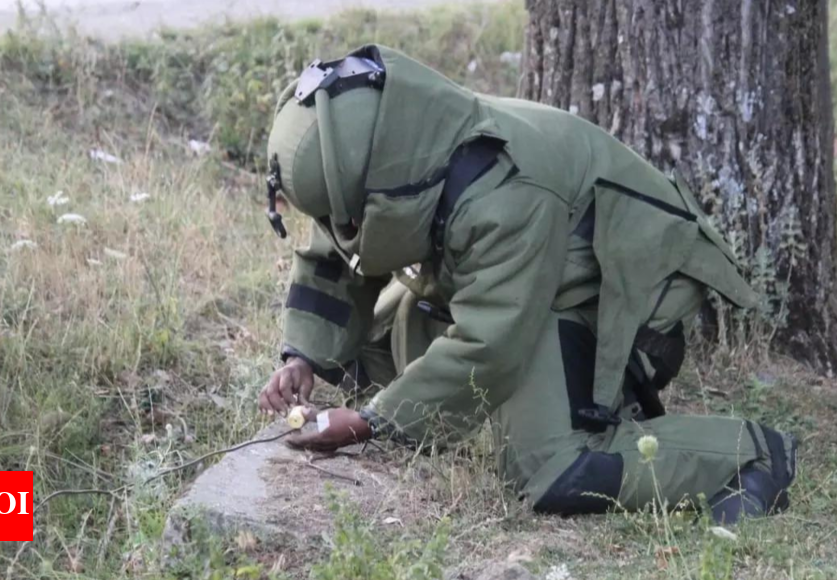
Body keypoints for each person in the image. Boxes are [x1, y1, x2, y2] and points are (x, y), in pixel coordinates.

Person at [256, 45, 797, 523]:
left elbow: (491, 343)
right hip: (539, 271)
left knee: (548, 466)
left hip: (624, 298)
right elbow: (340, 246)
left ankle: (748, 455)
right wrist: (303, 355)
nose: (336, 228)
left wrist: (377, 423)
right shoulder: (398, 147)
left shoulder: (504, 191)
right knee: (374, 349)